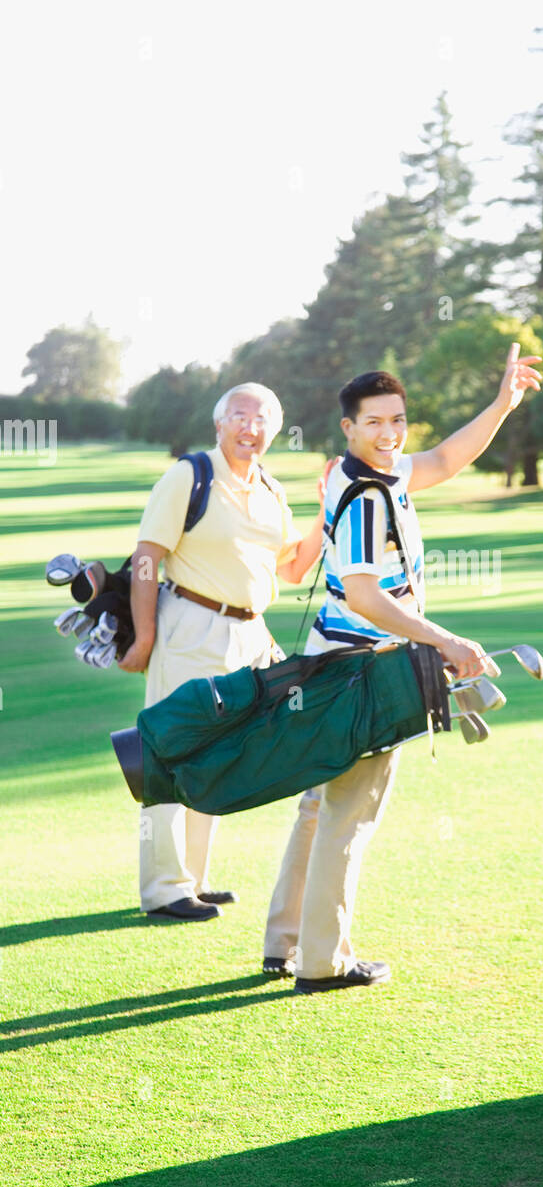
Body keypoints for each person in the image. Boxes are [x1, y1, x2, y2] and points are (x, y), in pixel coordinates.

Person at [263, 343, 543, 991]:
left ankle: (284, 942)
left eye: (397, 420)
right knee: (348, 814)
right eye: (375, 423)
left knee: (318, 806)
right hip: (362, 671)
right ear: (349, 429)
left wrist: (502, 402)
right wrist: (445, 640)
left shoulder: (361, 472)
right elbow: (364, 593)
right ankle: (322, 961)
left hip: (328, 660)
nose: (389, 434)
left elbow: (446, 458)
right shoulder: (365, 495)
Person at [119, 383, 326, 921]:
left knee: (220, 755)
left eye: (261, 421)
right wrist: (144, 637)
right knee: (169, 752)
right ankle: (164, 889)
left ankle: (195, 878)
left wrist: (328, 508)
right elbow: (147, 557)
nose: (249, 428)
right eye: (239, 416)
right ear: (220, 423)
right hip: (190, 625)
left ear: (273, 432)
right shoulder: (189, 475)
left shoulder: (272, 492)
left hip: (251, 635)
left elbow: (292, 568)